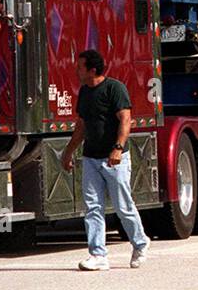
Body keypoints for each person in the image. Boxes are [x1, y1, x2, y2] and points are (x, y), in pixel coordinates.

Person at [60, 49, 150, 270]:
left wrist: (118, 148)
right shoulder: (85, 92)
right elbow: (81, 126)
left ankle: (140, 243)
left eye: (80, 66)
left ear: (92, 69)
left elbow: (125, 119)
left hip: (114, 159)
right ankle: (98, 255)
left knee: (122, 206)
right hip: (91, 157)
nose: (76, 70)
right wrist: (69, 152)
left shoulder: (114, 89)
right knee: (92, 207)